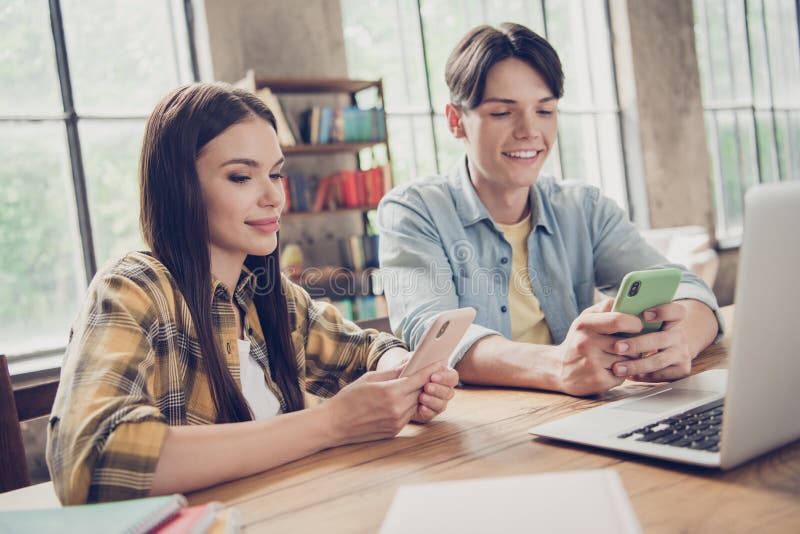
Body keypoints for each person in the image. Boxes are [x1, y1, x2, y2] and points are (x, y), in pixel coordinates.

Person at [46, 83, 458, 504]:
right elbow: (95, 459)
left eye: (276, 173)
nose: (274, 196)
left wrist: (407, 372)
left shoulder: (266, 293)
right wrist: (330, 424)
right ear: (179, 186)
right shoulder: (133, 289)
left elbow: (366, 349)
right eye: (241, 177)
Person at [377, 23, 722, 397]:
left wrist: (681, 341)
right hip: (477, 433)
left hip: (577, 413)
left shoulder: (583, 208)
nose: (529, 131)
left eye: (544, 110)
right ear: (456, 120)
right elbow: (433, 333)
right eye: (501, 113)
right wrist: (558, 367)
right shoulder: (414, 211)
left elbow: (691, 290)